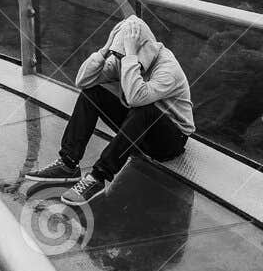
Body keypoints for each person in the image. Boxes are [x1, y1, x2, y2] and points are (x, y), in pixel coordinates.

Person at [25, 14, 194, 205]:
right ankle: (68, 163)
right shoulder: (121, 60)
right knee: (93, 93)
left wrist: (130, 56)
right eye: (118, 55)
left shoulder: (168, 69)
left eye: (123, 55)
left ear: (140, 50)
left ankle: (98, 176)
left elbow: (136, 98)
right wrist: (105, 50)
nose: (119, 60)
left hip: (169, 141)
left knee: (144, 109)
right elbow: (83, 81)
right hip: (139, 132)